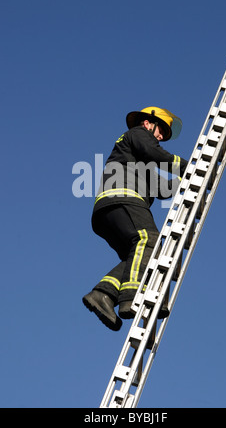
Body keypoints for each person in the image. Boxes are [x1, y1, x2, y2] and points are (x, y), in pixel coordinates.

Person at [83, 107, 188, 331]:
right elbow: (156, 153)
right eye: (161, 130)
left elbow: (161, 187)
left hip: (111, 209)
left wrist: (186, 181)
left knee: (140, 258)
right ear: (148, 123)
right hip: (124, 197)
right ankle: (130, 297)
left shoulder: (140, 160)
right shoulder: (137, 135)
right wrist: (186, 165)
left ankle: (102, 294)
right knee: (149, 239)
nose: (160, 137)